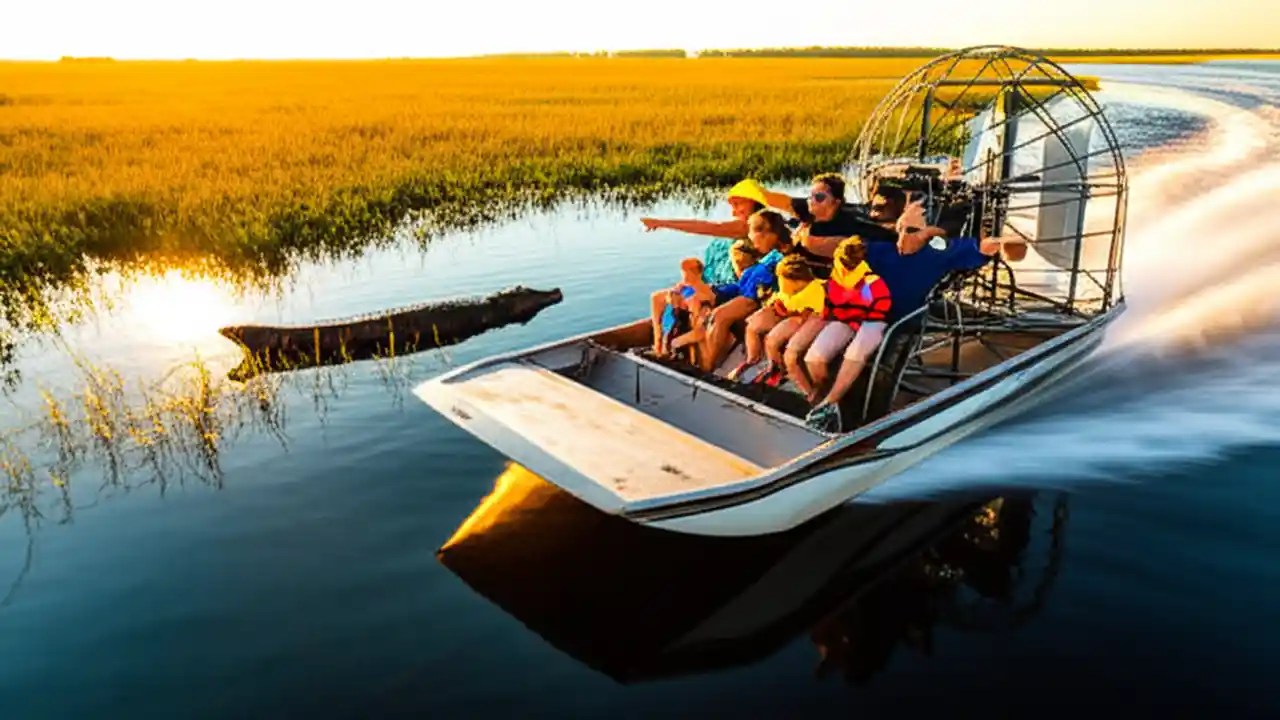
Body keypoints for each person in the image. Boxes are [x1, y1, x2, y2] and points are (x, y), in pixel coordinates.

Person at [788, 237, 893, 432]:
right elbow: (831, 305)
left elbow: (879, 306)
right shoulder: (835, 280)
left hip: (871, 321)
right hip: (845, 320)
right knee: (814, 357)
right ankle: (826, 397)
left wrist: (856, 314)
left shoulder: (871, 282)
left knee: (854, 353)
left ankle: (832, 401)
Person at [696, 209, 793, 372]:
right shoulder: (769, 253)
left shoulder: (784, 257)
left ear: (767, 233)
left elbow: (769, 288)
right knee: (703, 302)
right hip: (745, 291)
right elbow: (744, 281)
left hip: (758, 299)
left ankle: (707, 368)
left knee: (720, 315)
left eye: (752, 232)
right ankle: (697, 358)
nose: (750, 238)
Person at [640, 178, 770, 285]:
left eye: (737, 204)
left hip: (733, 286)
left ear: (753, 201)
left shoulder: (748, 226)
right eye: (732, 205)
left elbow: (707, 227)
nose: (733, 212)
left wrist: (662, 223)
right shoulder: (758, 223)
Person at [727, 255, 826, 386]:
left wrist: (787, 313)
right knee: (752, 325)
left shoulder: (814, 290)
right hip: (787, 314)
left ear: (794, 280)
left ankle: (777, 369)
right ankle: (752, 360)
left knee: (771, 340)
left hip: (804, 320)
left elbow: (808, 313)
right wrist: (774, 306)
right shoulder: (790, 290)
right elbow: (780, 298)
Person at [651, 257, 715, 356]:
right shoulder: (684, 287)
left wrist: (672, 344)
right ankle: (658, 344)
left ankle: (663, 347)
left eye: (687, 274)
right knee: (656, 298)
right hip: (677, 328)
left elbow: (700, 332)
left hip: (686, 334)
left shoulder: (702, 297)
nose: (684, 277)